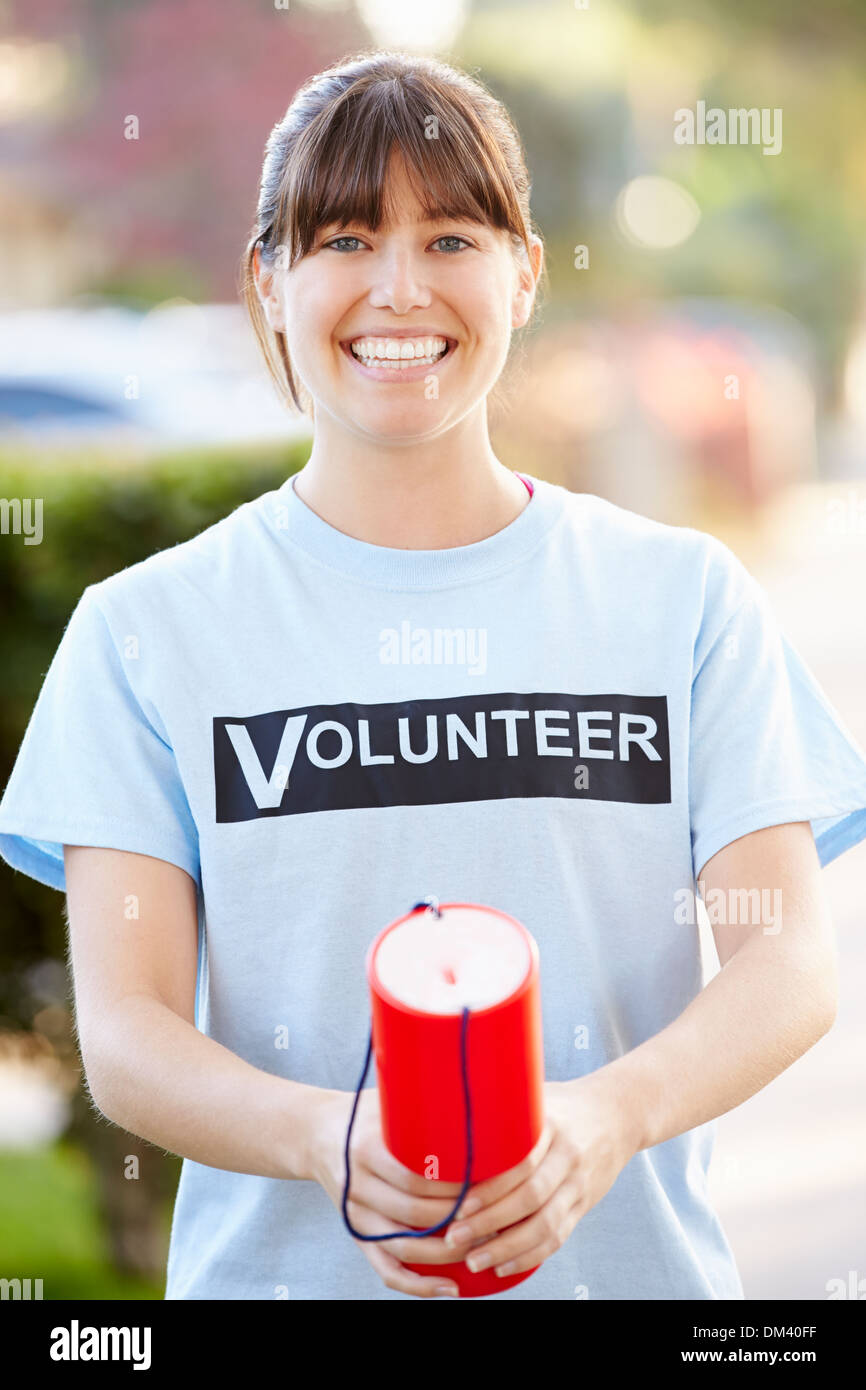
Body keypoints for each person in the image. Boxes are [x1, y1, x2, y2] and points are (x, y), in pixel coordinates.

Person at [2, 49, 866, 1303]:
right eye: (343, 238)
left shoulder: (680, 600)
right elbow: (129, 1038)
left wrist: (605, 1119)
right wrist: (322, 1138)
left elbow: (782, 962)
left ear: (522, 273)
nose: (397, 288)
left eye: (450, 236)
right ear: (269, 283)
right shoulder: (146, 630)